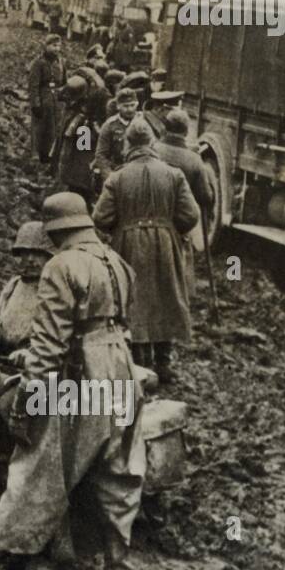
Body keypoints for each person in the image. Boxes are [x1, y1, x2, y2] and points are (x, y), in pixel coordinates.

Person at [0, 192, 145, 570]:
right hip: (121, 369)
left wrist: (27, 402)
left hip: (79, 374)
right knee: (119, 472)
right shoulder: (118, 263)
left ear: (53, 231)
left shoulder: (62, 267)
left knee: (36, 467)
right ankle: (116, 568)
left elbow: (49, 345)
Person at [93, 117, 200, 382]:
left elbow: (100, 218)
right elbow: (191, 214)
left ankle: (140, 363)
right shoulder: (174, 175)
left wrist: (122, 229)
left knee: (134, 300)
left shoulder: (117, 178)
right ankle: (164, 365)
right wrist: (170, 230)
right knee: (166, 296)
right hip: (166, 243)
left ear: (128, 144)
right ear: (152, 142)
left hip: (128, 245)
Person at [153, 107, 214, 296]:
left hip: (152, 215)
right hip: (179, 222)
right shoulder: (194, 160)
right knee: (182, 255)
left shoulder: (153, 150)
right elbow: (206, 197)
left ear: (164, 128)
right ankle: (182, 293)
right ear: (186, 132)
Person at [0, 221, 57, 354]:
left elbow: (55, 337)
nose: (30, 259)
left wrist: (31, 352)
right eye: (25, 253)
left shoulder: (55, 291)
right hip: (0, 357)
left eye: (37, 253)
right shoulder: (14, 285)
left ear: (49, 256)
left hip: (33, 363)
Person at [55, 77, 97, 206]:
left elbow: (84, 146)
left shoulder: (83, 114)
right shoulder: (74, 108)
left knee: (79, 189)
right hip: (73, 157)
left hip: (79, 165)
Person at [92, 86, 144, 185]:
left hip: (140, 171)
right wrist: (109, 177)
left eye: (132, 105)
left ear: (137, 105)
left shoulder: (144, 121)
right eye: (125, 106)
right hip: (118, 171)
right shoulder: (109, 125)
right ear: (118, 106)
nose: (129, 109)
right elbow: (100, 155)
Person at [27, 35, 65, 166]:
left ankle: (48, 154)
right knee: (39, 127)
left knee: (53, 127)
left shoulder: (60, 61)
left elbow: (64, 81)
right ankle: (35, 154)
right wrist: (35, 104)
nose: (56, 48)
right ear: (46, 46)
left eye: (58, 46)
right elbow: (33, 85)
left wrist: (63, 98)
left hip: (56, 100)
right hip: (43, 97)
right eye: (53, 45)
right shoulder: (39, 63)